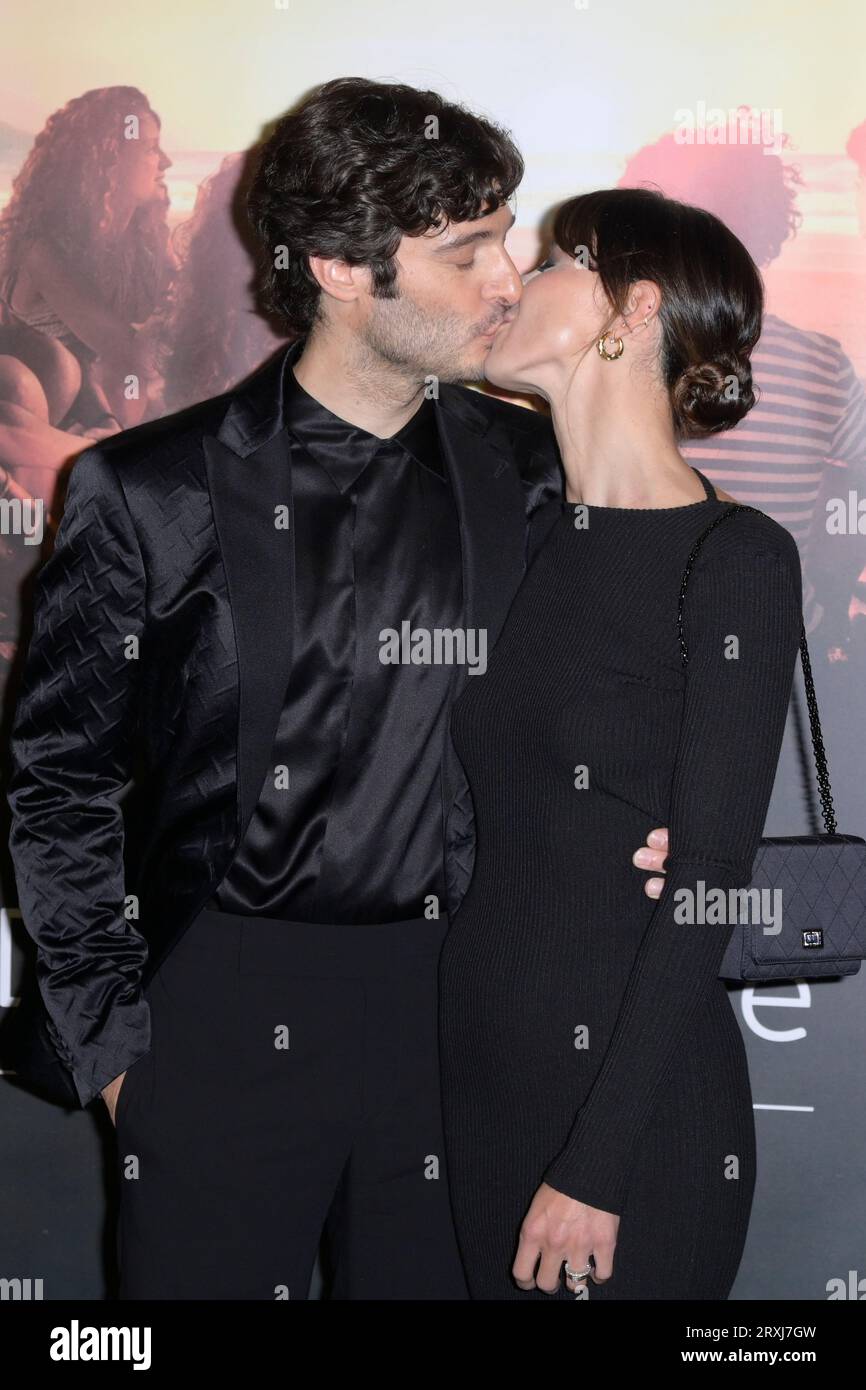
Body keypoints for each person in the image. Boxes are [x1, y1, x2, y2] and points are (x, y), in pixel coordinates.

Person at [5, 79, 668, 1301]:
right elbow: (58, 783)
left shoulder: (532, 473)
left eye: (505, 239)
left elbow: (607, 694)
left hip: (456, 1006)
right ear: (339, 268)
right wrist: (116, 1049)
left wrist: (645, 809)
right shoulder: (152, 492)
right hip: (223, 995)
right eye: (465, 250)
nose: (507, 279)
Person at [437, 187, 803, 1300]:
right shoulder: (523, 533)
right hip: (476, 1090)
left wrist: (594, 1168)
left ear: (629, 309)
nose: (516, 279)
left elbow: (705, 881)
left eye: (552, 258)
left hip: (627, 1126)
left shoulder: (733, 558)